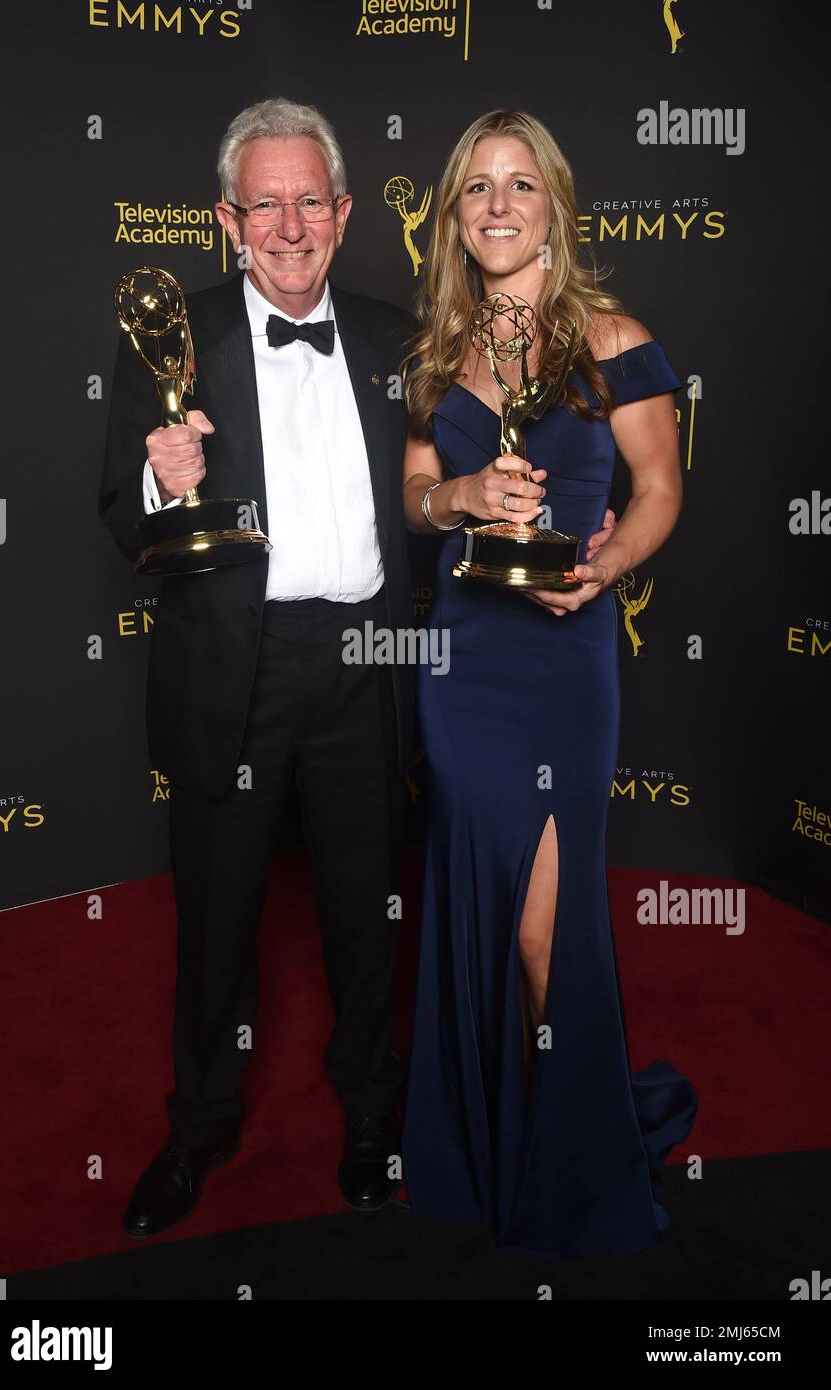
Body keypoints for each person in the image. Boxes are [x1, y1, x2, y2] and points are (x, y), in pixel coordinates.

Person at [99, 98, 416, 1238]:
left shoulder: (393, 337)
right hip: (236, 668)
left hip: (367, 663)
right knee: (219, 918)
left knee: (367, 913)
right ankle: (199, 1125)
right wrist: (159, 476)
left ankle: (375, 1114)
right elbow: (119, 515)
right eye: (263, 204)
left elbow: (433, 495)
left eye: (309, 201)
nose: (289, 226)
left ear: (343, 211)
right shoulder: (169, 337)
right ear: (229, 220)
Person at [400, 108, 698, 1258]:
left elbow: (660, 488)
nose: (498, 205)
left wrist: (604, 569)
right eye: (476, 187)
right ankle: (492, 1138)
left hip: (565, 658)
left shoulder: (616, 340)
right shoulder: (437, 359)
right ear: (454, 215)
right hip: (465, 656)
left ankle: (568, 1155)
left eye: (520, 184)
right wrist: (462, 499)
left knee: (543, 925)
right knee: (476, 897)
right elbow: (420, 494)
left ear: (554, 206)